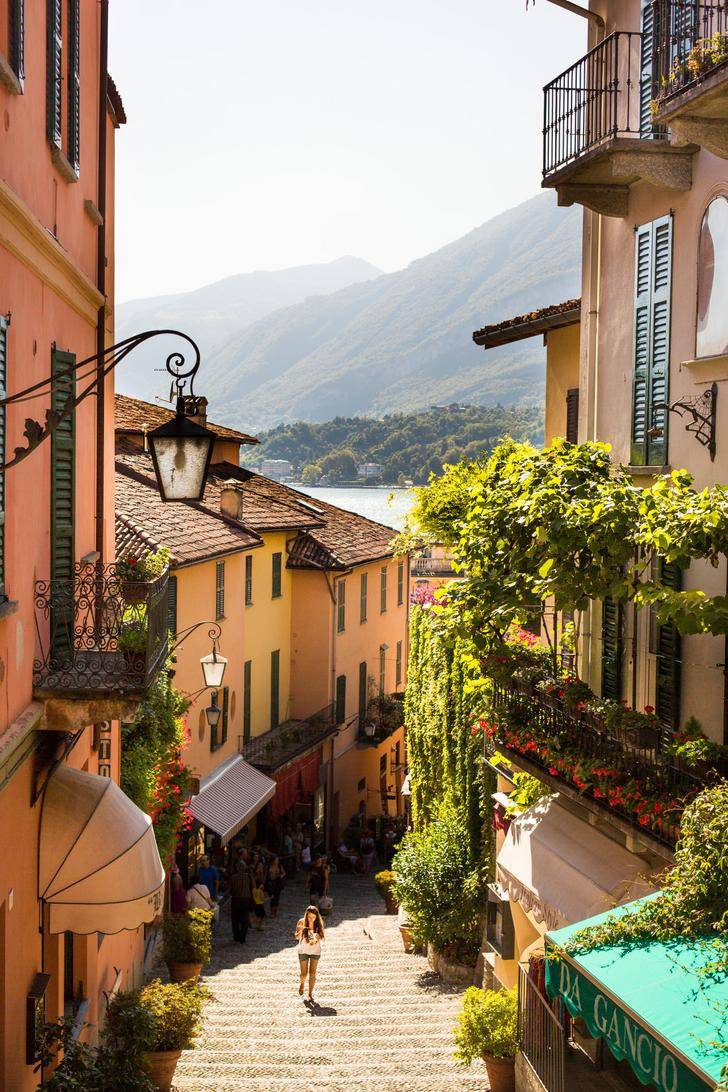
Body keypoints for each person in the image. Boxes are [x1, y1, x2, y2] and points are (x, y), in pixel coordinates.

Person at [295, 904, 325, 1003]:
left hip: (315, 951)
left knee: (312, 973)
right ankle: (302, 983)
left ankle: (310, 994)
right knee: (304, 974)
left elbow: (321, 936)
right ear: (306, 915)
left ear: (316, 916)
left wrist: (316, 938)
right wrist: (300, 931)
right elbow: (296, 937)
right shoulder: (301, 921)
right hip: (303, 950)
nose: (311, 919)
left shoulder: (318, 924)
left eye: (313, 917)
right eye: (309, 917)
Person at [229, 850, 252, 943]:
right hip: (246, 900)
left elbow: (230, 890)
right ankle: (242, 937)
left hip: (236, 900)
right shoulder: (248, 877)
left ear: (237, 868)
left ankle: (236, 936)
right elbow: (252, 887)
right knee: (245, 920)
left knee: (235, 920)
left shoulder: (233, 877)